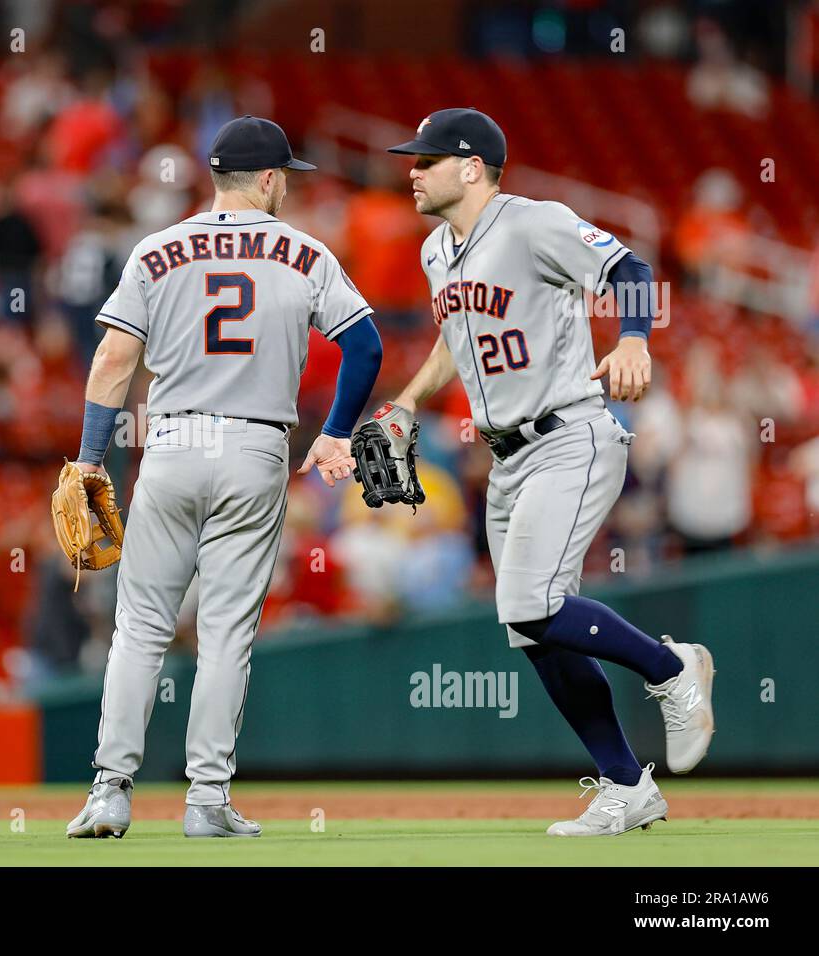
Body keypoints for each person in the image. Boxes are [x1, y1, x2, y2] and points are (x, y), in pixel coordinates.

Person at [368, 108, 715, 837]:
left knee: (531, 605)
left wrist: (632, 340)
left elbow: (633, 269)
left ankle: (670, 668)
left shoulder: (532, 222)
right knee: (534, 633)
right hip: (506, 458)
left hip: (569, 434)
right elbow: (454, 341)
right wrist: (405, 401)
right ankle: (626, 786)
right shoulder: (437, 250)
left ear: (471, 168)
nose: (412, 170)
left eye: (426, 160)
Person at [66, 116, 383, 839]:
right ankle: (206, 800)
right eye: (285, 178)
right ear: (270, 179)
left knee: (139, 628)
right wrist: (334, 433)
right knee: (225, 633)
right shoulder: (304, 252)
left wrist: (88, 458)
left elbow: (113, 362)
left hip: (171, 441)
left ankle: (110, 792)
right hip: (254, 445)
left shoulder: (157, 248)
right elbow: (364, 346)